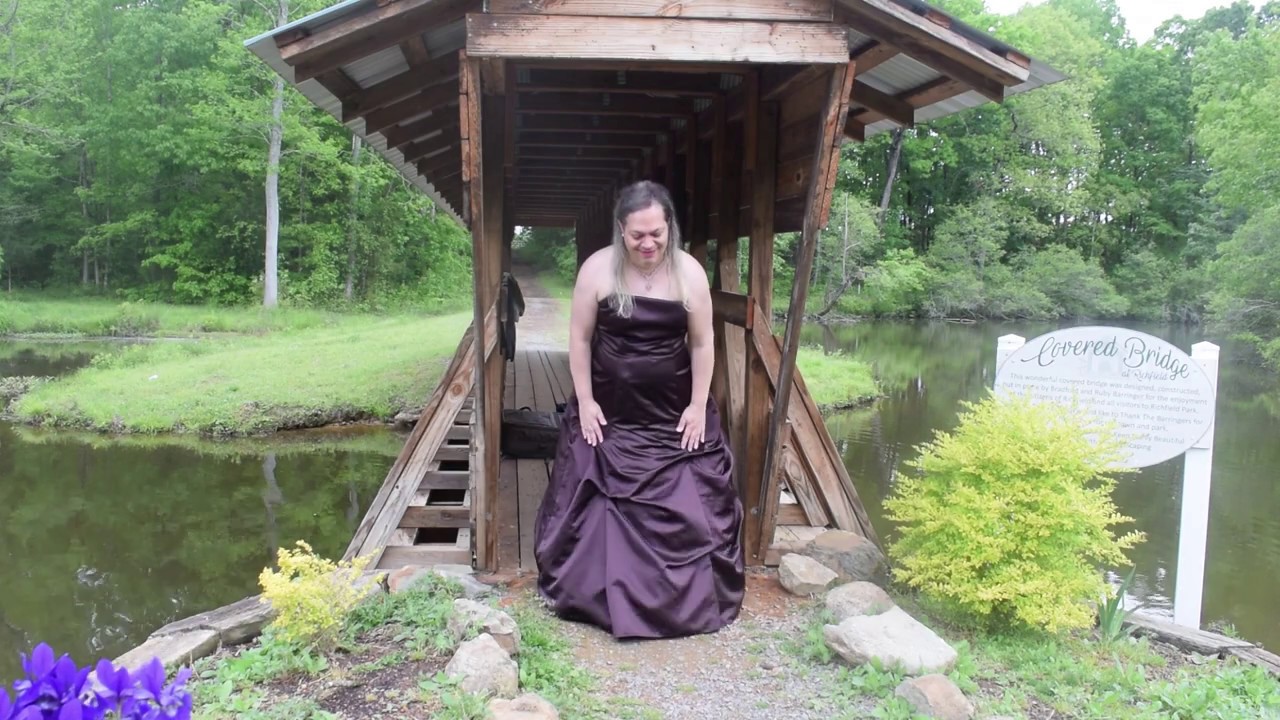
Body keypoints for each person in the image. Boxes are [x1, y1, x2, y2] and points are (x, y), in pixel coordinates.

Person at [532, 180, 746, 640]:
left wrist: (695, 405)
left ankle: (687, 600)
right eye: (637, 236)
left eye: (656, 233)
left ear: (669, 226)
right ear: (620, 231)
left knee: (694, 495)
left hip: (673, 414)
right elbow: (580, 339)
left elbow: (704, 342)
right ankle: (598, 596)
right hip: (610, 414)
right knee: (596, 495)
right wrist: (585, 402)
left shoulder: (689, 273)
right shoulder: (596, 271)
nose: (648, 244)